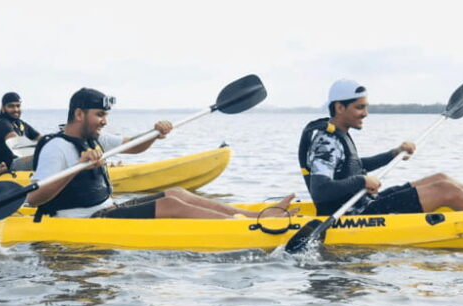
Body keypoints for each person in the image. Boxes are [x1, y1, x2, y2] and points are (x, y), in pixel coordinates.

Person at [26, 87, 297, 220]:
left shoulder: (94, 138)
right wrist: (74, 170)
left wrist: (155, 133)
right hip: (81, 221)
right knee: (171, 206)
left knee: (176, 193)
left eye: (105, 115)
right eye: (99, 115)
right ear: (79, 114)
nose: (104, 121)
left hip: (106, 209)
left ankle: (252, 216)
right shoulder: (56, 148)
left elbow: (133, 145)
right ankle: (247, 228)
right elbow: (34, 199)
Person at [298, 79, 463, 216]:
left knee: (441, 178)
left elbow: (352, 167)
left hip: (366, 202)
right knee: (444, 190)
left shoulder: (338, 135)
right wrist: (362, 181)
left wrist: (392, 154)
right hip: (353, 215)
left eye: (365, 106)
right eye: (359, 107)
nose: (365, 113)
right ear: (339, 107)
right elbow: (321, 189)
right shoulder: (326, 141)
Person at [0, 92, 42, 171]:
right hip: (6, 166)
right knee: (41, 157)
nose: (15, 109)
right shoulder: (0, 123)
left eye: (18, 106)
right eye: (11, 106)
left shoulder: (20, 124)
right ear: (3, 108)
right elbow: (19, 146)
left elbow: (41, 140)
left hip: (18, 164)